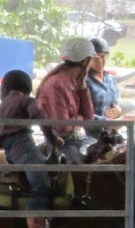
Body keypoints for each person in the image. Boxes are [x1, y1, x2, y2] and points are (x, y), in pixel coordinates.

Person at [0, 69, 65, 228]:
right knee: (41, 182)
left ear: (5, 88)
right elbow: (39, 116)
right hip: (23, 146)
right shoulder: (26, 101)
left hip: (11, 150)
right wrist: (51, 137)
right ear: (27, 88)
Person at [35, 37, 97, 165]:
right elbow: (62, 126)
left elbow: (89, 117)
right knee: (78, 171)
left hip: (78, 140)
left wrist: (83, 88)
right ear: (85, 61)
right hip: (62, 144)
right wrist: (80, 119)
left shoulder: (75, 83)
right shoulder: (56, 85)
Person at [85, 36, 123, 147]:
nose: (100, 61)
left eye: (103, 57)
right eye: (96, 58)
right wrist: (106, 122)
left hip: (111, 134)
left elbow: (115, 103)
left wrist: (118, 111)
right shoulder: (84, 81)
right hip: (91, 135)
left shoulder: (110, 79)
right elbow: (82, 113)